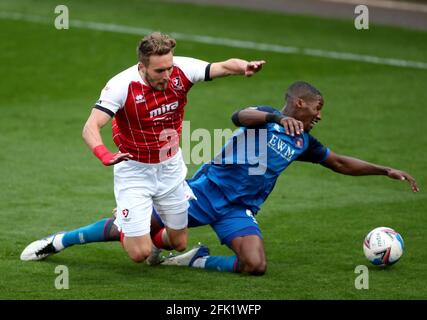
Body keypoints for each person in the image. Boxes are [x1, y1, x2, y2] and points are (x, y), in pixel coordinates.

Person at [21, 81, 418, 275]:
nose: (320, 114)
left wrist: (384, 170)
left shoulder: (305, 143)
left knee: (254, 265)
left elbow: (340, 162)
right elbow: (238, 116)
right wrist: (277, 118)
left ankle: (194, 261)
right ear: (298, 103)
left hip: (239, 209)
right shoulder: (268, 117)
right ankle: (57, 242)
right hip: (204, 192)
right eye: (317, 107)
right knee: (133, 231)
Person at [80, 31, 265, 263]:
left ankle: (138, 222)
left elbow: (223, 67)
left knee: (179, 242)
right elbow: (90, 126)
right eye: (159, 71)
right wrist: (104, 154)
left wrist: (244, 66)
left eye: (169, 67)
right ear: (142, 67)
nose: (167, 75)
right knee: (140, 254)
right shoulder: (121, 85)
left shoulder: (181, 69)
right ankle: (125, 223)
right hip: (134, 169)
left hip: (170, 167)